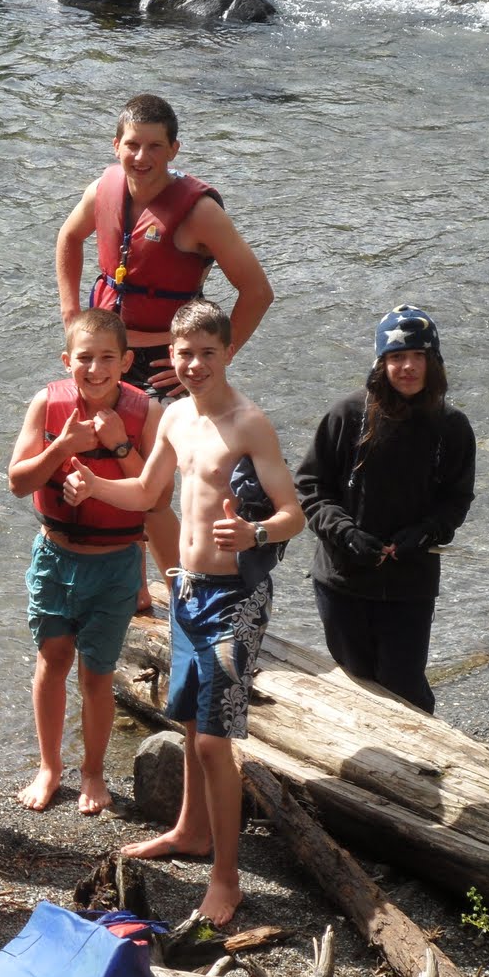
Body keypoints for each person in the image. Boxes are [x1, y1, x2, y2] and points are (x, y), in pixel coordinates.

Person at [63, 299, 303, 926]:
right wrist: (93, 486)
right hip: (187, 593)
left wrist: (254, 535)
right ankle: (192, 832)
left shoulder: (249, 424)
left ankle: (227, 879)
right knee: (195, 728)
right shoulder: (171, 419)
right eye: (183, 353)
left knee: (216, 743)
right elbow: (147, 493)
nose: (194, 364)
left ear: (227, 353)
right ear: (168, 355)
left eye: (207, 353)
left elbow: (292, 514)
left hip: (235, 600)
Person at [55, 92, 273, 602]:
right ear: (116, 146)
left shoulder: (199, 214)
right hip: (107, 357)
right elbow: (68, 239)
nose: (141, 157)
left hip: (162, 365)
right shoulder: (104, 190)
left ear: (174, 149)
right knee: (106, 466)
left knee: (149, 488)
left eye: (155, 145)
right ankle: (133, 591)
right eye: (132, 144)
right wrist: (71, 317)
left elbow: (257, 291)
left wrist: (208, 362)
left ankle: (182, 589)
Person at [7, 308, 162, 816]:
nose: (94, 370)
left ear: (126, 362)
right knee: (52, 662)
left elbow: (155, 498)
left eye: (106, 359)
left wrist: (118, 443)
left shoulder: (145, 412)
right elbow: (18, 481)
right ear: (65, 360)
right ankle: (50, 767)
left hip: (115, 561)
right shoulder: (46, 405)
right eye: (84, 359)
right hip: (56, 555)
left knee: (97, 675)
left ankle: (93, 772)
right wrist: (63, 448)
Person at [295, 306, 475, 714]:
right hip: (342, 580)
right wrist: (345, 532)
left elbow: (456, 500)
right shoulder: (347, 415)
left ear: (434, 362)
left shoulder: (452, 426)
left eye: (418, 356)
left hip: (410, 583)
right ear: (382, 363)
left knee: (405, 687)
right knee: (356, 687)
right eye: (396, 357)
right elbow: (310, 488)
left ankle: (420, 770)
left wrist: (426, 532)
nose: (407, 366)